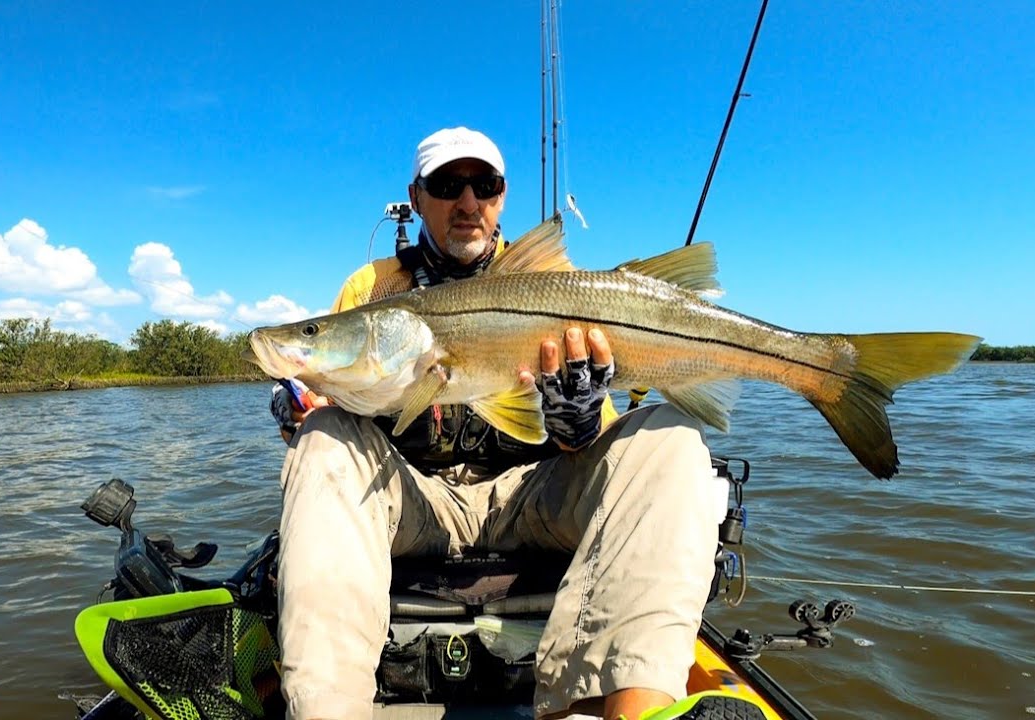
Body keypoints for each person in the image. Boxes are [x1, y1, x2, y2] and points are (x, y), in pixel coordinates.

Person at [269, 127, 721, 720]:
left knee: (670, 438)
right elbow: (325, 392)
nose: (467, 202)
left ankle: (630, 709)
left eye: (484, 185)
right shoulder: (372, 287)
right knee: (324, 440)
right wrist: (298, 403)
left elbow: (595, 451)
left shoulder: (557, 288)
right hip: (412, 502)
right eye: (447, 185)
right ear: (417, 194)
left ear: (502, 196)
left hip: (529, 500)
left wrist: (578, 423)